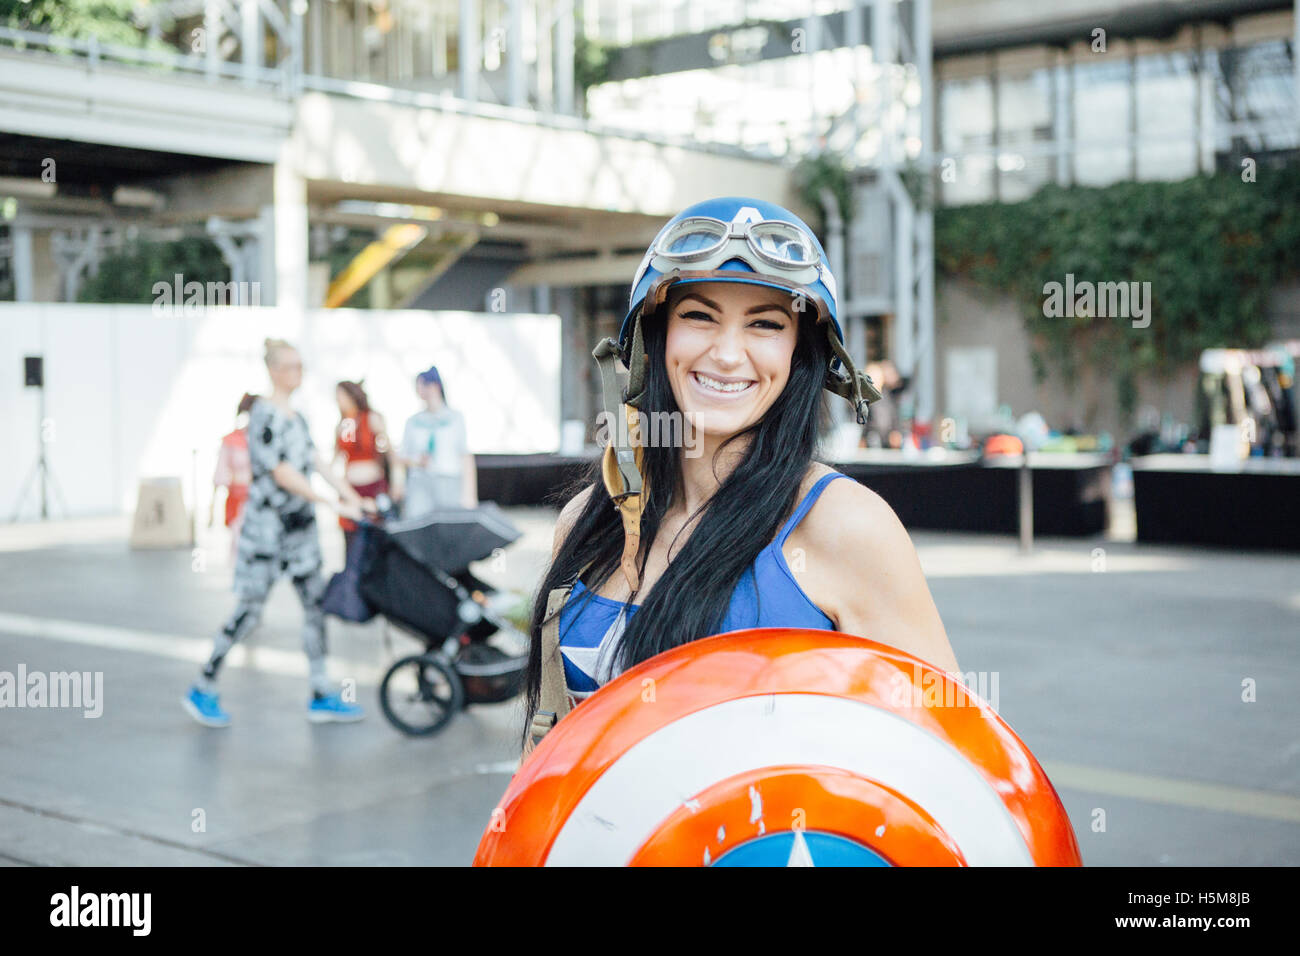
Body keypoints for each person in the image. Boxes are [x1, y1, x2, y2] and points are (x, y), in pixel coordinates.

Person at [520, 196, 960, 760]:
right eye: (699, 316)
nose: (728, 354)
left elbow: (956, 765)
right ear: (653, 339)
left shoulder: (846, 526)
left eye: (765, 324)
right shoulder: (587, 520)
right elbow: (544, 764)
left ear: (802, 353)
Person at [183, 338, 369, 727]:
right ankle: (203, 685)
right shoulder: (263, 416)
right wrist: (330, 503)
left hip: (300, 536)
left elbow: (315, 461)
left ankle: (320, 694)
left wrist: (352, 496)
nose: (297, 373)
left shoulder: (297, 418)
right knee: (249, 614)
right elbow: (282, 472)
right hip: (266, 536)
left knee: (315, 608)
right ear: (272, 370)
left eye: (301, 366)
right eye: (290, 366)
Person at [398, 366, 477, 519]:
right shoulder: (413, 422)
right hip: (420, 482)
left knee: (450, 524)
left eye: (424, 385)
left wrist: (469, 495)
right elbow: (402, 455)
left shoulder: (455, 418)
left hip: (449, 480)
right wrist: (416, 461)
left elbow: (465, 455)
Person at [333, 379, 399, 550]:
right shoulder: (342, 426)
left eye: (341, 395)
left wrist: (398, 482)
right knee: (352, 541)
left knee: (377, 541)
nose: (338, 400)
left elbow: (391, 454)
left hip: (373, 488)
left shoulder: (371, 418)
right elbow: (334, 460)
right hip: (350, 490)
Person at [209, 392, 256, 562]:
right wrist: (212, 508)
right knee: (239, 540)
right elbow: (219, 473)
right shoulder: (231, 440)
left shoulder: (264, 439)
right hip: (238, 496)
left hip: (259, 498)